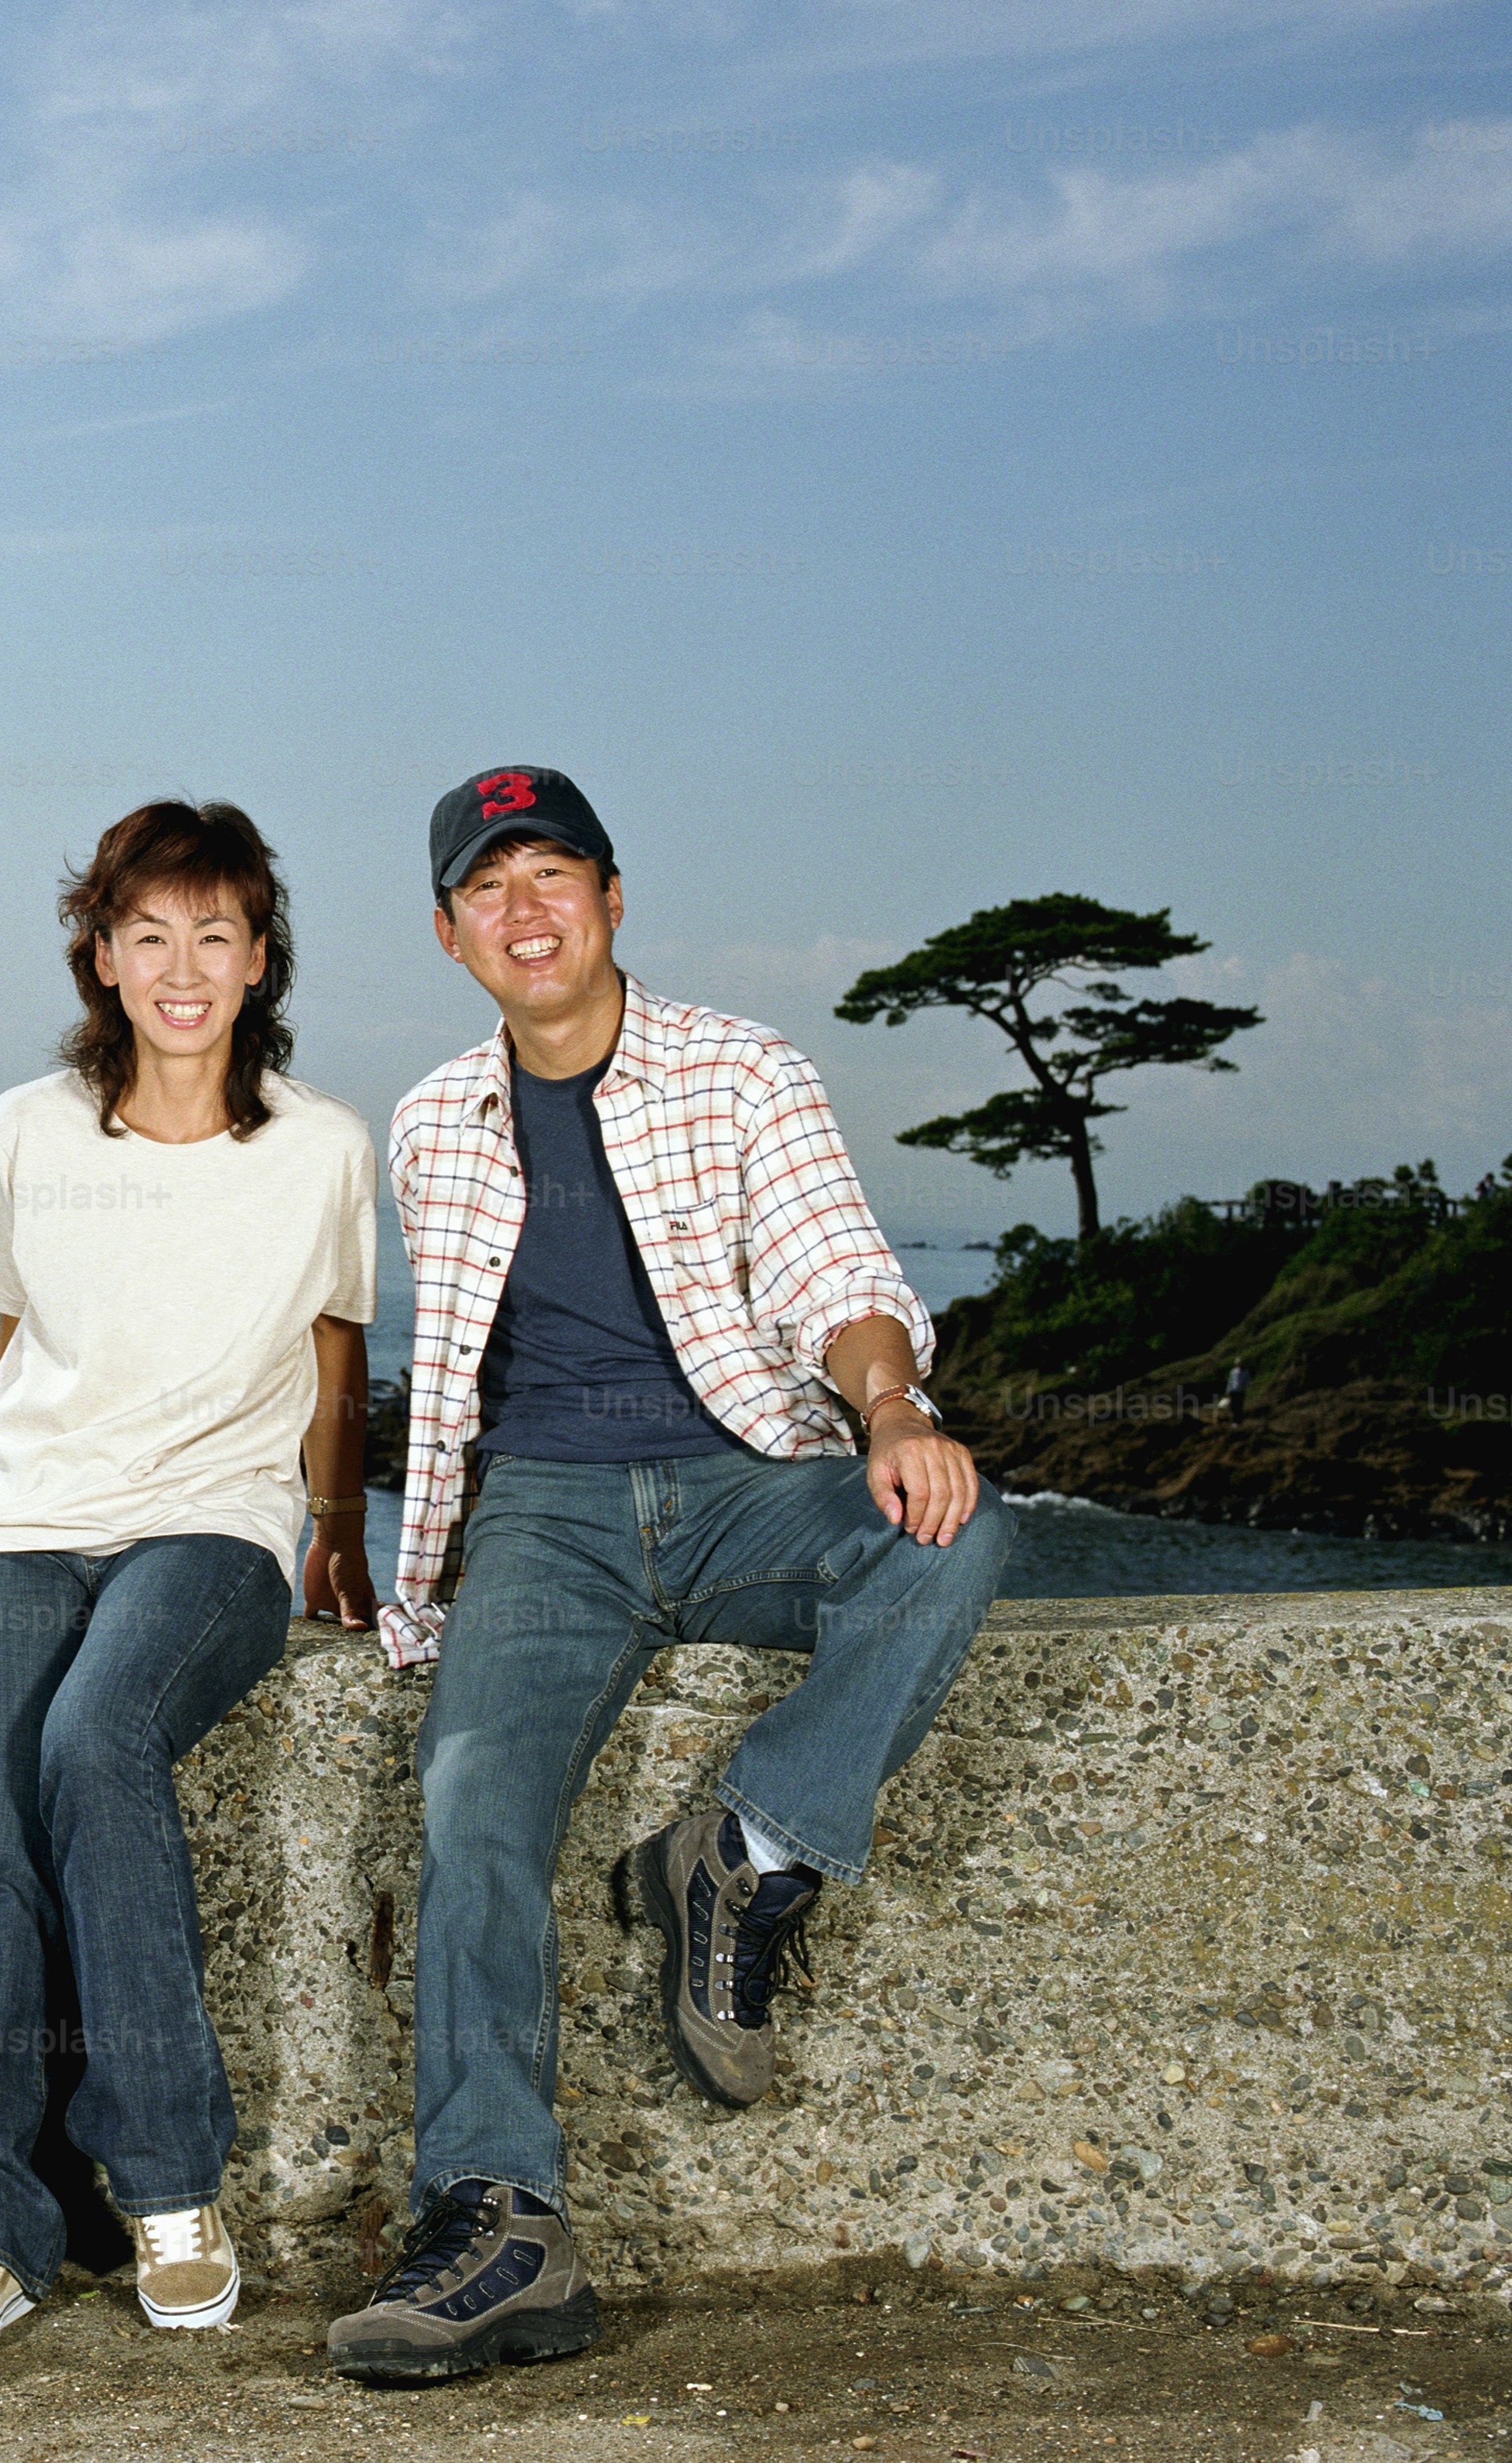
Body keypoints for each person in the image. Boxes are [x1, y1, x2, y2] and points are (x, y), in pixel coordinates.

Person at [325, 766, 1007, 2384]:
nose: (523, 911)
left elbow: (833, 1267)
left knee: (956, 1532)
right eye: (486, 890)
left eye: (550, 875)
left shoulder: (741, 1072)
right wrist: (332, 1534)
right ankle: (500, 2225)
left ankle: (748, 1843)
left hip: (741, 1476)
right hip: (542, 1521)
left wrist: (893, 1411)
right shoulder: (431, 1125)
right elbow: (428, 1373)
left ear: (612, 899)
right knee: (469, 1807)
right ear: (446, 935)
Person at [0, 800, 378, 2356]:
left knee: (95, 1743)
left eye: (214, 935)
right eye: (148, 934)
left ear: (256, 961)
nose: (182, 967)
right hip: (21, 1519)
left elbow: (333, 1345)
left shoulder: (320, 1148)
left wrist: (336, 1531)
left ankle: (170, 2180)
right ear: (101, 956)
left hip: (216, 1524)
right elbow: (14, 1340)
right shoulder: (24, 1126)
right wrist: (15, 1502)